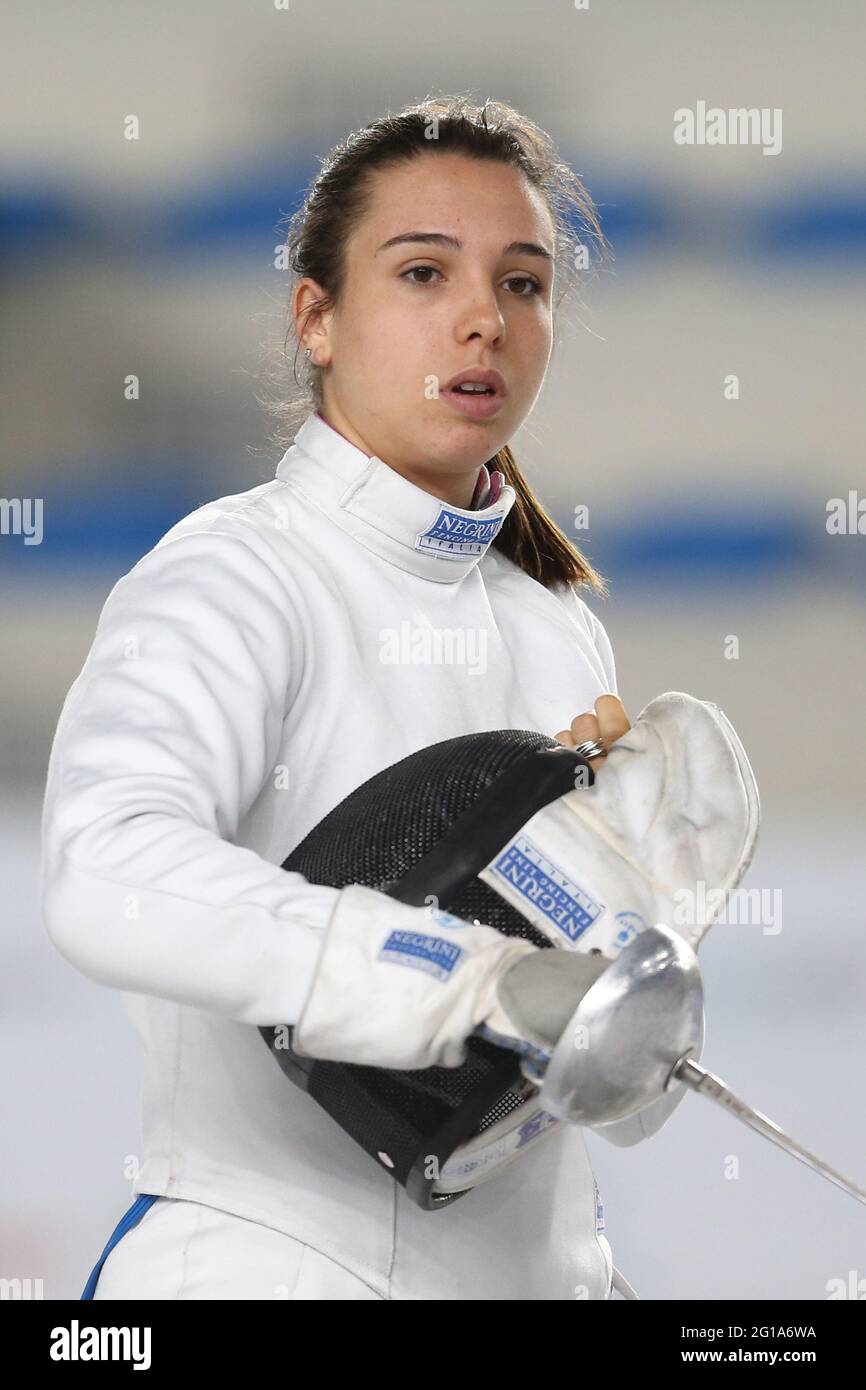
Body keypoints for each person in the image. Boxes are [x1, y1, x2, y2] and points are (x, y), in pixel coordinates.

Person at [40, 94, 633, 1301]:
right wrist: (434, 968)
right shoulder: (235, 573)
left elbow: (547, 1051)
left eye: (522, 285)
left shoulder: (557, 625)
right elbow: (105, 864)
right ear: (316, 316)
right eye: (423, 273)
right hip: (267, 1264)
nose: (482, 318)